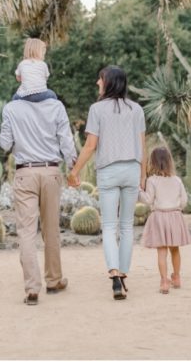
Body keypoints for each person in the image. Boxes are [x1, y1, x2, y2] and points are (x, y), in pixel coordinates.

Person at [68, 66, 146, 300]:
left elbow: (91, 145)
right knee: (127, 225)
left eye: (100, 79)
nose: (97, 82)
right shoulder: (137, 109)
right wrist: (143, 175)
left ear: (109, 82)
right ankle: (123, 273)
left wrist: (74, 171)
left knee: (110, 226)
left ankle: (114, 275)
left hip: (109, 171)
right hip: (132, 169)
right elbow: (143, 145)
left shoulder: (97, 109)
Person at [0, 91, 77, 306]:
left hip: (25, 172)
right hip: (51, 171)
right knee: (51, 229)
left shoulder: (11, 108)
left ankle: (32, 288)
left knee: (26, 232)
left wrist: (20, 144)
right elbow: (66, 140)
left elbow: (4, 143)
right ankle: (53, 280)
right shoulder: (56, 106)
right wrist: (73, 167)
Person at [139, 146, 191, 294]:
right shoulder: (177, 180)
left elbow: (148, 200)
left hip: (159, 217)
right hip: (175, 216)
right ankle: (176, 277)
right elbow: (184, 201)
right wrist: (176, 209)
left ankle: (163, 282)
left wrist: (138, 191)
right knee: (175, 249)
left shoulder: (152, 180)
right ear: (169, 161)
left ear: (152, 162)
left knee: (161, 251)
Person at [13, 38, 58, 102]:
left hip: (26, 95)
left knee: (15, 97)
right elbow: (46, 78)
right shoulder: (43, 64)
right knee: (53, 95)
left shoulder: (22, 64)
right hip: (42, 94)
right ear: (39, 52)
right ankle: (53, 109)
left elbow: (18, 78)